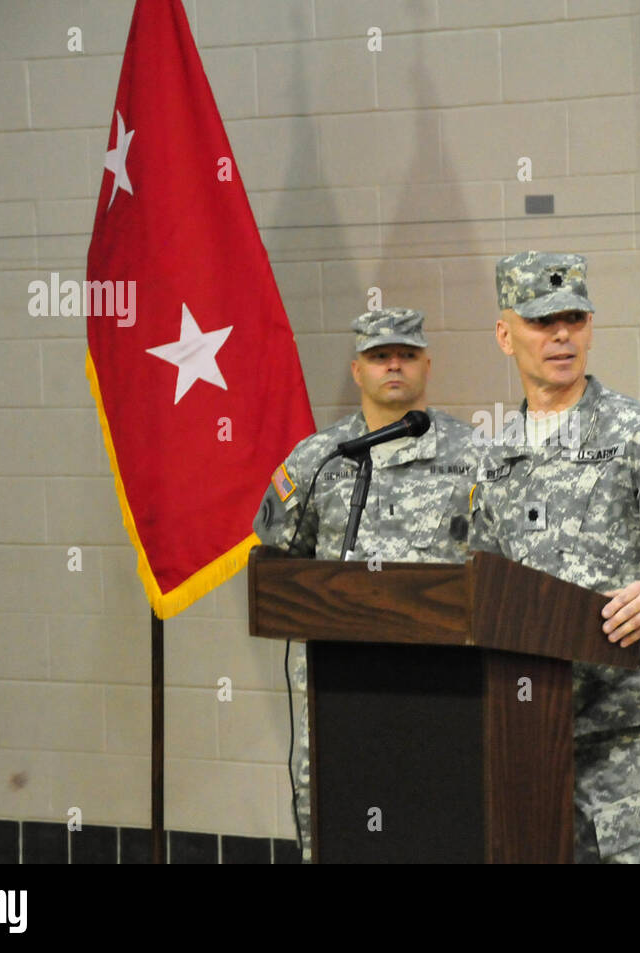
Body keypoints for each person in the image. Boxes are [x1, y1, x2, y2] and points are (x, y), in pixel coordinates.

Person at [470, 251, 640, 863]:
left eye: (574, 317)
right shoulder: (494, 461)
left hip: (624, 726)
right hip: (524, 727)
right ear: (505, 334)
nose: (562, 334)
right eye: (542, 322)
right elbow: (480, 592)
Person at [252, 307, 477, 862]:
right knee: (333, 821)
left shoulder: (476, 456)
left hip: (440, 692)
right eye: (379, 356)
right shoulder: (319, 460)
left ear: (427, 365)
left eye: (406, 355)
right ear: (358, 371)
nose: (393, 366)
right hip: (337, 691)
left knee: (436, 824)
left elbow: (499, 564)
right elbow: (279, 561)